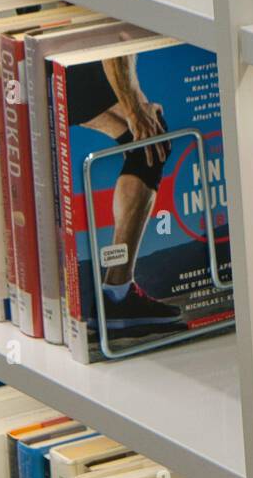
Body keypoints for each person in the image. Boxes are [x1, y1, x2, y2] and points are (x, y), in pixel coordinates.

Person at [65, 51, 187, 337]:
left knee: (145, 146)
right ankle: (116, 297)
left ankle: (116, 295)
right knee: (150, 142)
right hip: (78, 63)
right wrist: (133, 107)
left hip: (58, 68)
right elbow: (116, 37)